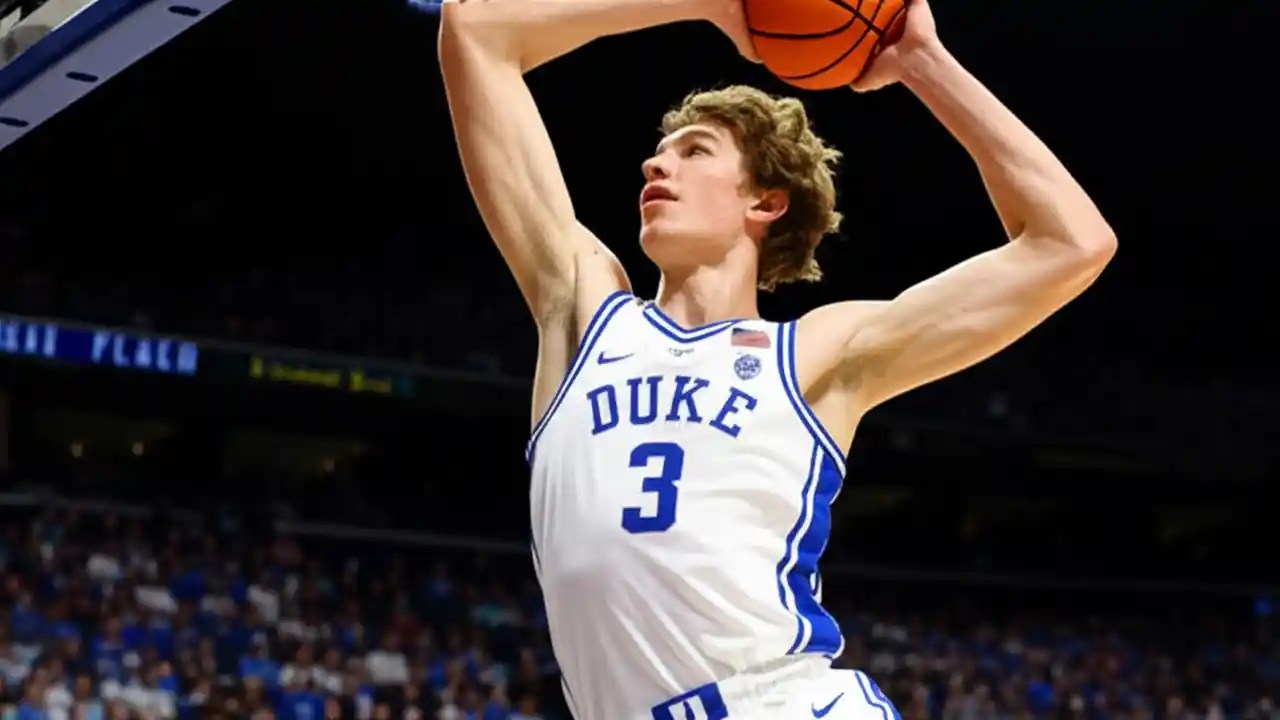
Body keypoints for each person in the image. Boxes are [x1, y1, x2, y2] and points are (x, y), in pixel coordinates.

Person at [438, 0, 1116, 717]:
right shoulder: (583, 310)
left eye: (693, 150)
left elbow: (1072, 242)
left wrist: (924, 63)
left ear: (765, 203)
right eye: (660, 151)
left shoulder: (817, 354)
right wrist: (710, 5)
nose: (655, 161)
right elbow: (476, 30)